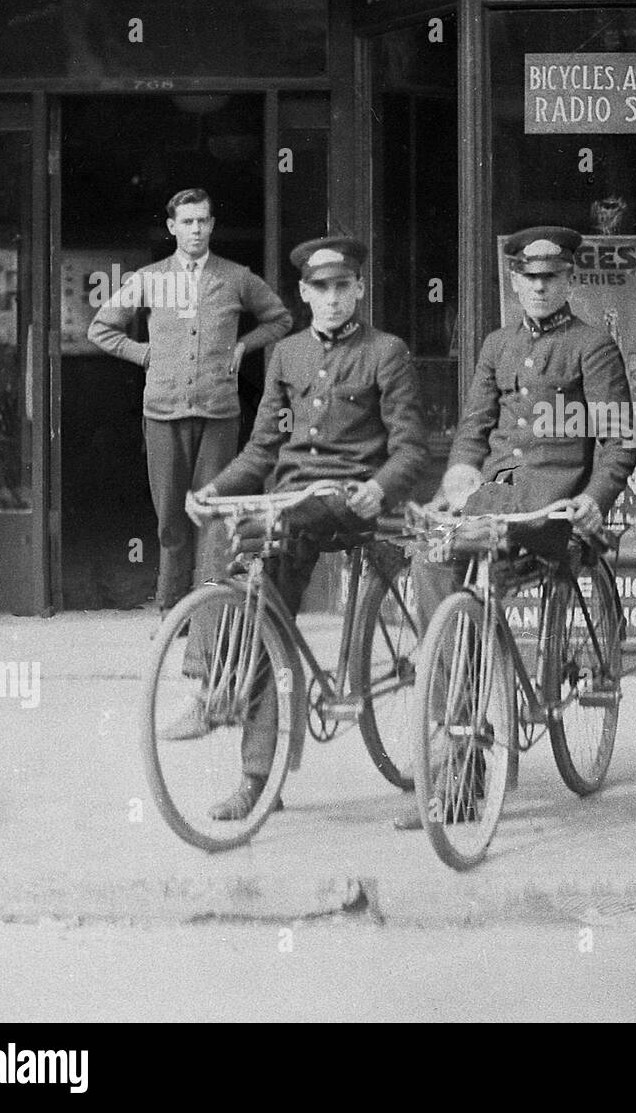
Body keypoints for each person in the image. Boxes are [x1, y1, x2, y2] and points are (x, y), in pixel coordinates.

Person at [162, 235, 427, 822]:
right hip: (294, 500)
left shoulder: (387, 352)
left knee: (264, 535)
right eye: (319, 289)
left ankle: (223, 704)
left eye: (342, 287)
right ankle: (256, 770)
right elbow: (262, 451)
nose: (331, 299)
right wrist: (217, 489)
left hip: (350, 500)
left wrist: (379, 488)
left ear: (358, 289)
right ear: (303, 294)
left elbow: (411, 449)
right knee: (244, 569)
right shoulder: (286, 355)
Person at [395, 225, 636, 829]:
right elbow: (473, 432)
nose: (538, 287)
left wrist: (595, 499)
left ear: (568, 280)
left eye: (550, 277)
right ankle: (461, 741)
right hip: (492, 498)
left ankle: (461, 762)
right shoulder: (497, 345)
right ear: (513, 280)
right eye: (528, 278)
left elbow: (617, 441)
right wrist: (455, 484)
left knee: (479, 564)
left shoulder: (593, 347)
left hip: (552, 507)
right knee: (432, 561)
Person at [88, 188, 292, 615]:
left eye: (203, 220)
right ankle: (170, 609)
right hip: (162, 413)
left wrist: (244, 345)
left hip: (218, 412)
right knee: (169, 520)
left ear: (212, 225)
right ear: (172, 227)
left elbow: (281, 318)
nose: (196, 229)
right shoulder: (149, 278)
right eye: (187, 222)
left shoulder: (237, 277)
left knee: (212, 517)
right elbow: (101, 329)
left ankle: (208, 614)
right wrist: (144, 354)